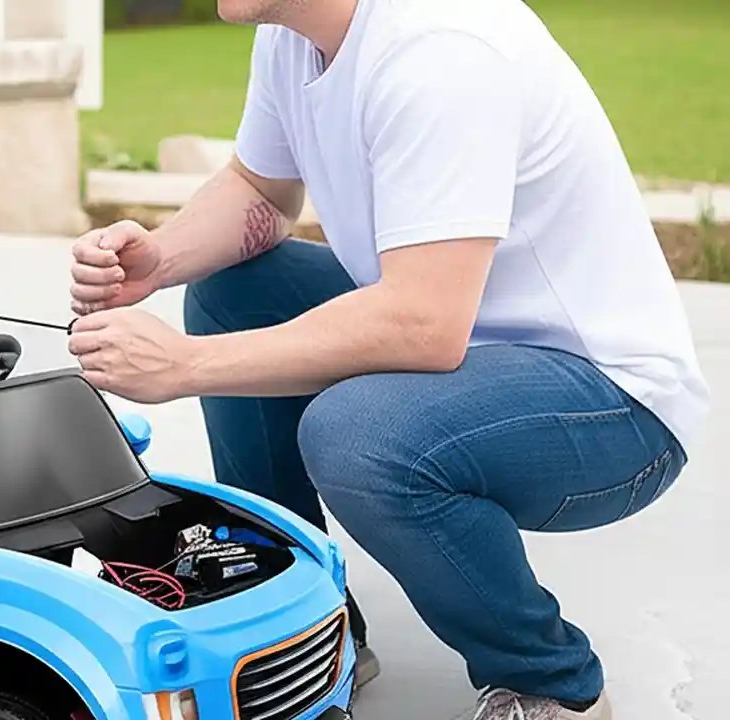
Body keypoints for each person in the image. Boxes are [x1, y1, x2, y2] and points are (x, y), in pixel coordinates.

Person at [65, 0, 710, 718]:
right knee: (232, 291)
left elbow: (424, 325)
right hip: (465, 333)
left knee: (357, 433)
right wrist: (162, 259)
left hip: (609, 403)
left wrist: (185, 366)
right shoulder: (292, 36)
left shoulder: (440, 50)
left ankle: (548, 681)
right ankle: (305, 622)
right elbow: (261, 192)